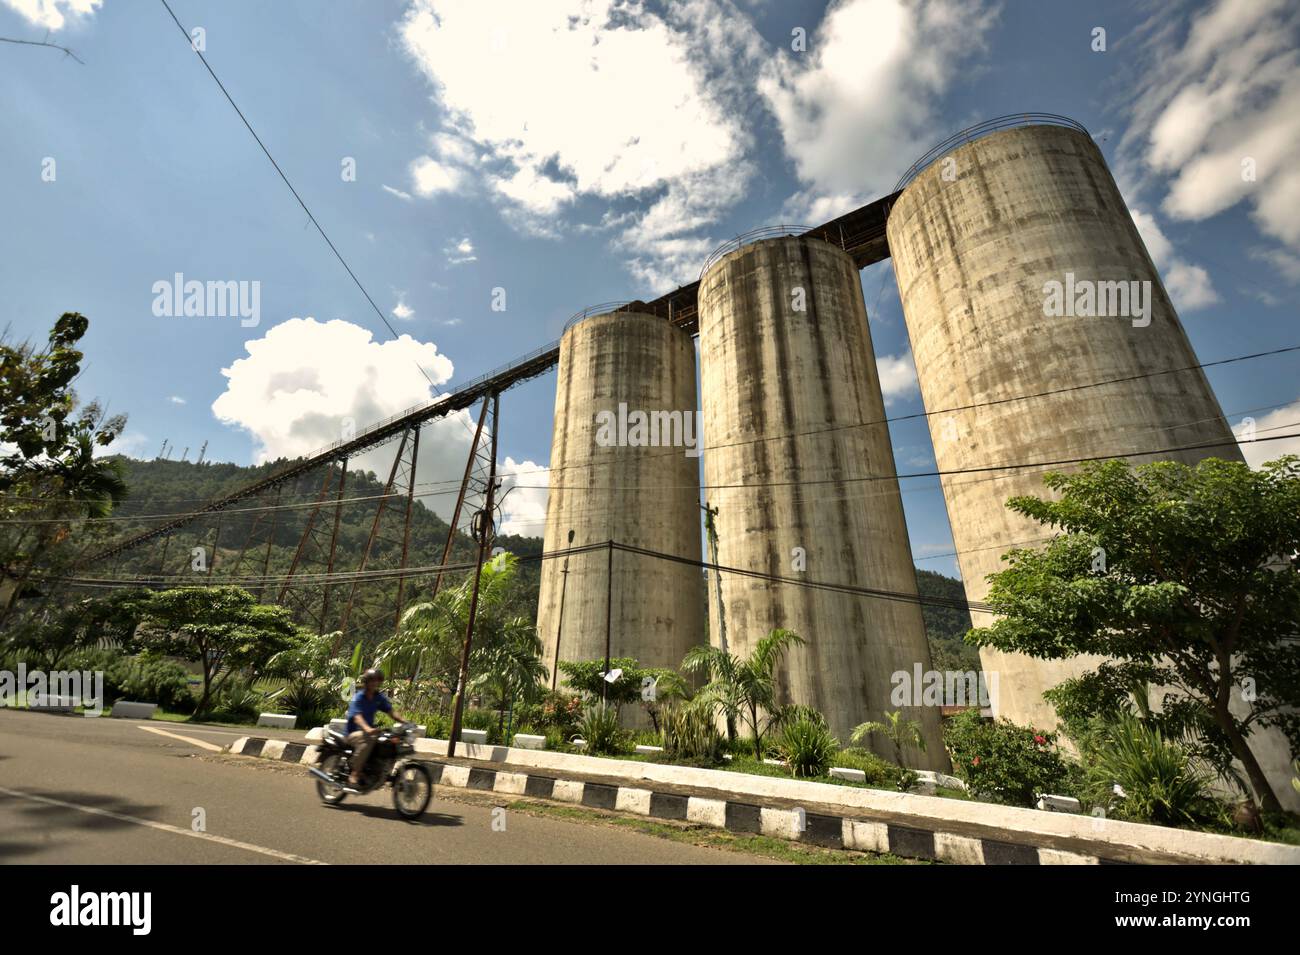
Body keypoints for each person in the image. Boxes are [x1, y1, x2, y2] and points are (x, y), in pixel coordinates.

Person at [343, 668, 408, 792]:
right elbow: (357, 717)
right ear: (366, 682)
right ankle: (354, 774)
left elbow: (391, 712)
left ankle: (377, 772)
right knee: (370, 738)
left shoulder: (378, 697)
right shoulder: (359, 697)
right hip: (353, 733)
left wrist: (406, 722)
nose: (375, 683)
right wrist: (367, 728)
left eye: (377, 680)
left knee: (389, 742)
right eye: (372, 680)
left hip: (368, 733)